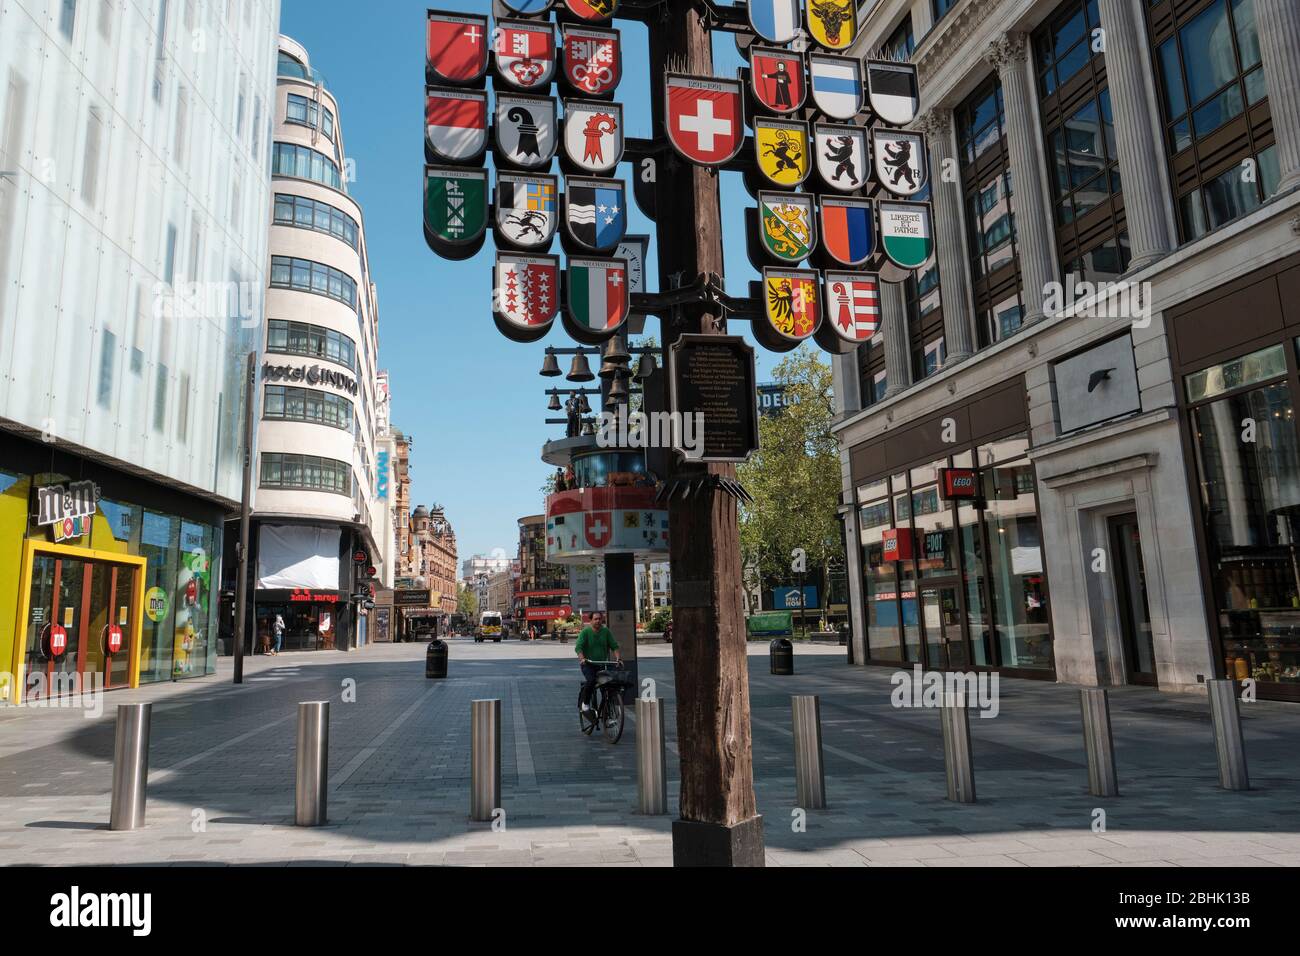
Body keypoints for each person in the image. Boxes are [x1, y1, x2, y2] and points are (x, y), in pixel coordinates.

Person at [575, 611, 620, 714]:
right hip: (588, 664)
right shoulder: (585, 632)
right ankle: (585, 703)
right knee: (591, 681)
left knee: (608, 686)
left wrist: (618, 659)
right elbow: (579, 647)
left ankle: (606, 712)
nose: (598, 621)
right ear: (590, 621)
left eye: (600, 619)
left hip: (602, 664)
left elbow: (614, 646)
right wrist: (582, 659)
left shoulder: (606, 631)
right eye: (595, 619)